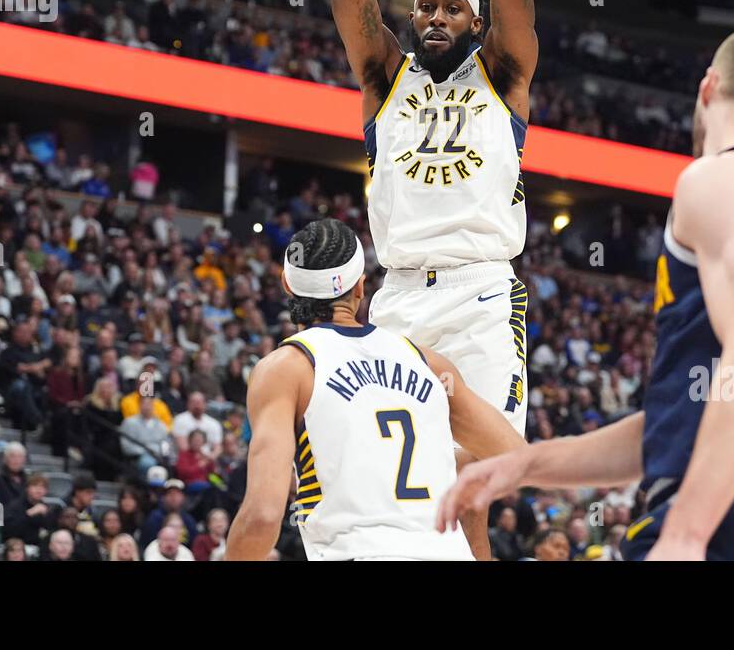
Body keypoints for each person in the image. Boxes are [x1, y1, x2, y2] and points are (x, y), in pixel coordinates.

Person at [439, 27, 734, 561]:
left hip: (728, 521)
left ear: (708, 87)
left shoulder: (721, 178)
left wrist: (685, 535)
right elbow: (675, 426)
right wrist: (526, 465)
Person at [328, 0, 540, 560]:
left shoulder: (506, 73)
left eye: (454, 8)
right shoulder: (386, 76)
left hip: (483, 293)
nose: (439, 17)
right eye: (428, 8)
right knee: (398, 487)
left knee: (483, 477)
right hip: (398, 299)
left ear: (478, 24)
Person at [223, 219, 524, 560]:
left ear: (287, 286)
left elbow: (262, 516)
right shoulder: (429, 363)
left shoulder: (286, 369)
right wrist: (434, 458)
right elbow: (514, 455)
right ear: (360, 287)